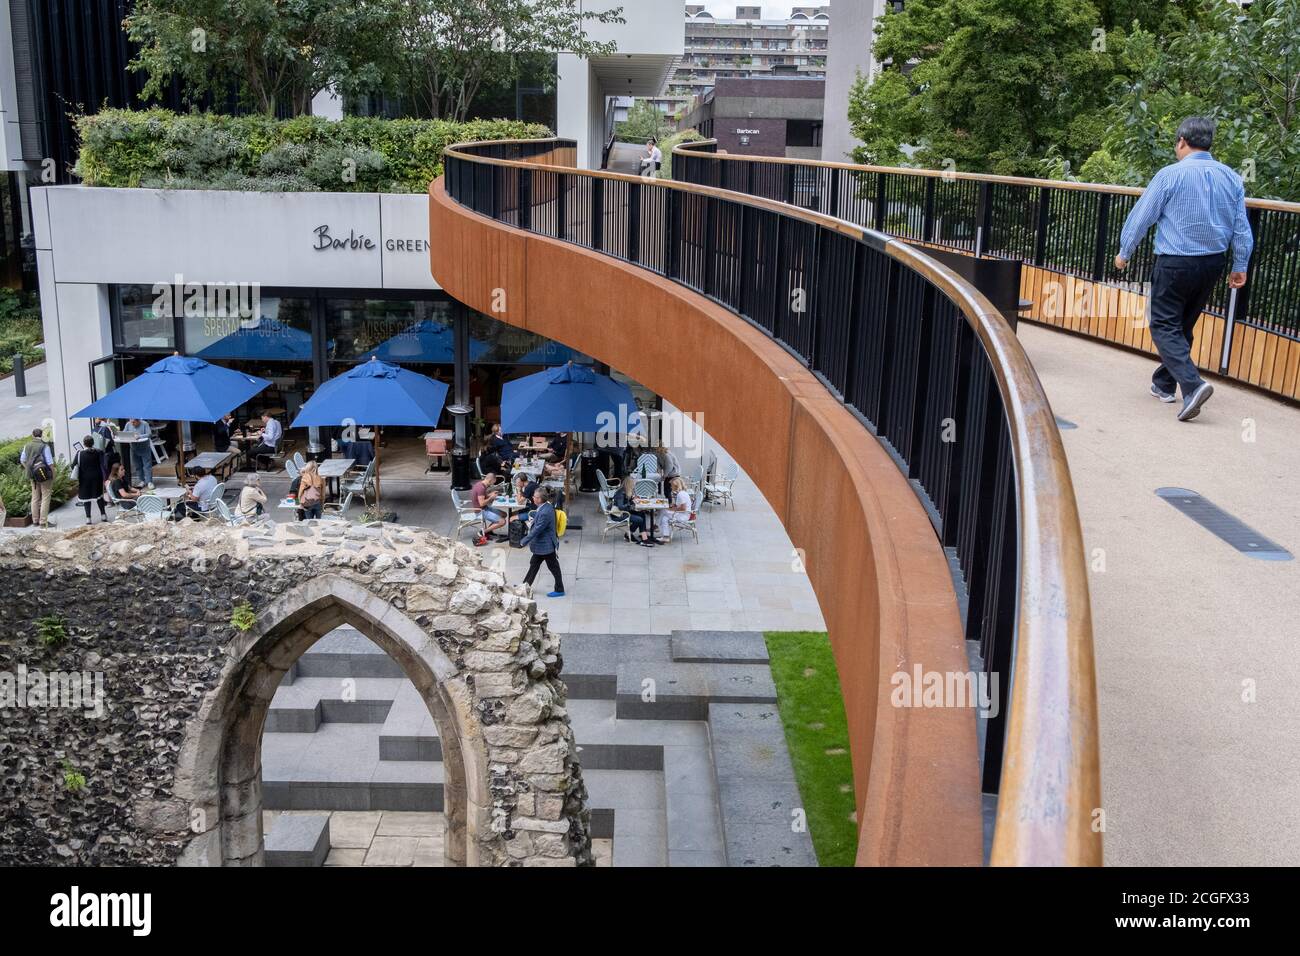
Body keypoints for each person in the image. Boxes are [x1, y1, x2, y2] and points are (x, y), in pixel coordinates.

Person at [1115, 116, 1253, 422]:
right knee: (1183, 325)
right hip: (1212, 263)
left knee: (1163, 324)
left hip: (1175, 262)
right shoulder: (1231, 178)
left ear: (1181, 141)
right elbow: (1241, 228)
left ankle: (1193, 386)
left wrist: (1125, 252)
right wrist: (1240, 264)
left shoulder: (1169, 175)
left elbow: (1142, 217)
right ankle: (1164, 383)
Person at [521, 487, 565, 597]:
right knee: (534, 564)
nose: (533, 498)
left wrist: (524, 540)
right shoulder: (546, 507)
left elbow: (538, 529)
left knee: (553, 567)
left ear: (539, 499)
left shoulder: (545, 511)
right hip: (543, 545)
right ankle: (525, 586)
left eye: (535, 497)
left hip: (545, 545)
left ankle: (559, 589)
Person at [19, 427, 56, 528]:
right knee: (45, 496)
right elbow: (50, 463)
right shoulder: (44, 446)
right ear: (42, 435)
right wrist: (53, 474)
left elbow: (22, 460)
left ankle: (35, 520)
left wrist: (29, 469)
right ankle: (43, 522)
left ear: (32, 435)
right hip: (44, 475)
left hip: (33, 475)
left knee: (35, 497)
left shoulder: (27, 446)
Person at [74, 434, 108, 524]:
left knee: (86, 498)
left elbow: (73, 465)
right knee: (99, 496)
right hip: (97, 477)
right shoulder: (98, 452)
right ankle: (103, 515)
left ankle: (88, 518)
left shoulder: (79, 453)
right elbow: (104, 463)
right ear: (93, 443)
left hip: (84, 478)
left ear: (84, 444)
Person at [614, 476, 652, 546]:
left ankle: (643, 536)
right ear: (629, 484)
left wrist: (632, 499)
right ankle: (636, 536)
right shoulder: (621, 493)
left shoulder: (626, 491)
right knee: (639, 519)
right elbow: (621, 507)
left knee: (642, 513)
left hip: (625, 512)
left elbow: (627, 503)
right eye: (633, 484)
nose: (634, 486)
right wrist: (631, 502)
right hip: (618, 514)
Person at [472, 470, 506, 546]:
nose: (493, 485)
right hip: (480, 511)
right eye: (493, 482)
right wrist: (491, 498)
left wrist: (491, 495)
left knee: (504, 514)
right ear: (490, 480)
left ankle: (489, 531)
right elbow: (481, 503)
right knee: (502, 521)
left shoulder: (481, 484)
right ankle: (483, 532)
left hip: (485, 508)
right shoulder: (481, 488)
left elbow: (483, 497)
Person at [655, 476, 694, 542]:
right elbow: (681, 505)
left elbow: (683, 508)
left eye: (672, 486)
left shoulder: (681, 494)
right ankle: (666, 536)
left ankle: (656, 526)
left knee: (663, 510)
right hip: (684, 514)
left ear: (676, 486)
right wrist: (674, 505)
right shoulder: (682, 493)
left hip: (683, 515)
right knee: (664, 518)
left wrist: (671, 509)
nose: (670, 487)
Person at [126, 417, 154, 489]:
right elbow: (124, 433)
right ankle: (142, 480)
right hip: (134, 448)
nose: (132, 424)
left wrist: (139, 436)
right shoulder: (128, 424)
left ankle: (149, 482)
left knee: (147, 465)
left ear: (138, 421)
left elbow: (149, 434)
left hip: (144, 448)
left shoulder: (145, 424)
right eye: (131, 422)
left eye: (134, 422)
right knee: (138, 466)